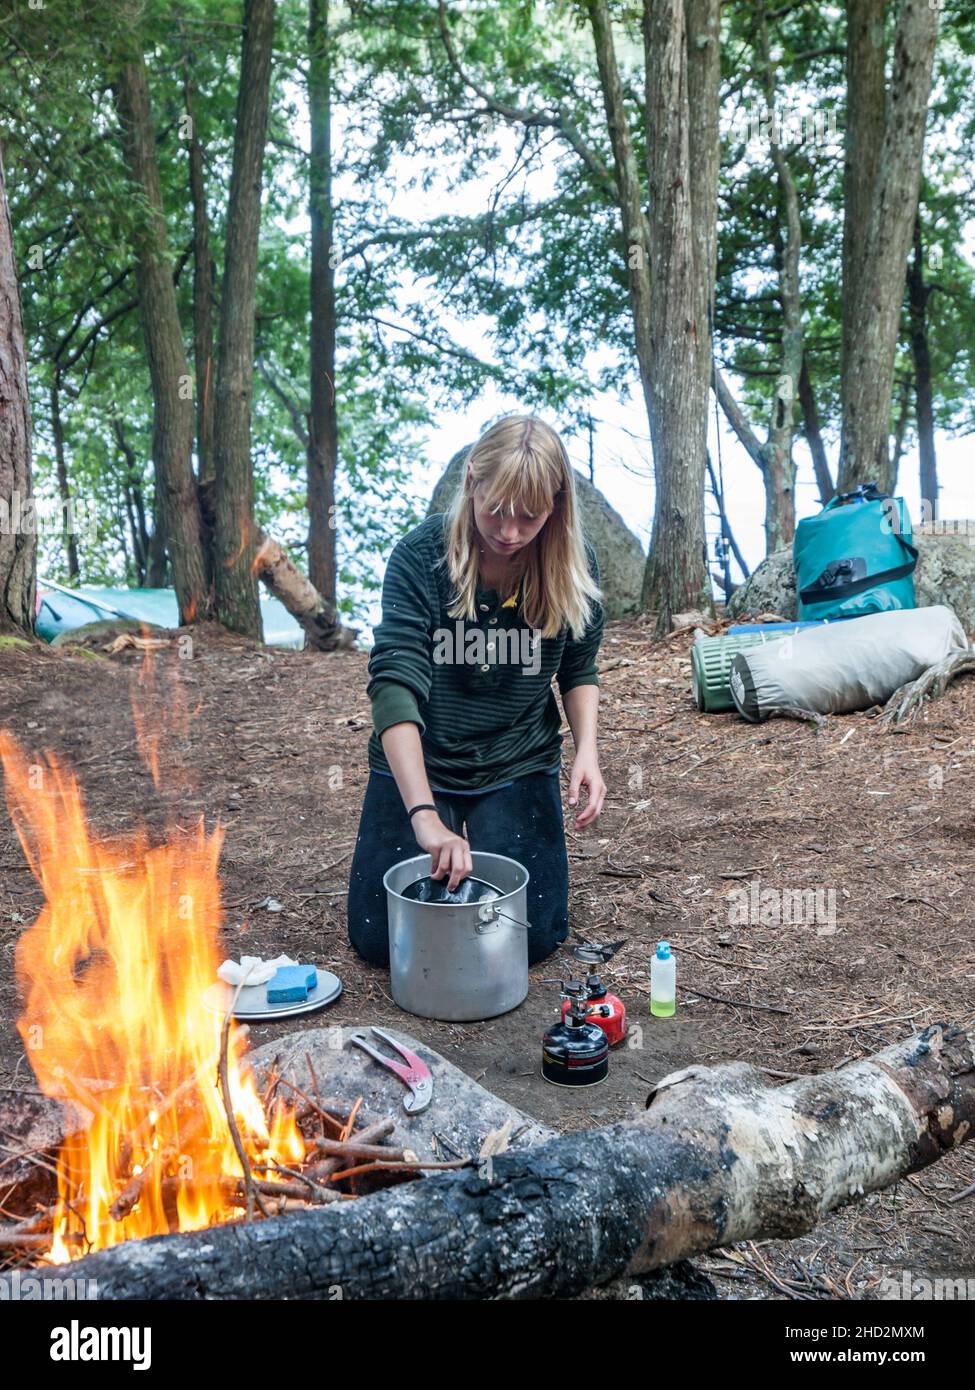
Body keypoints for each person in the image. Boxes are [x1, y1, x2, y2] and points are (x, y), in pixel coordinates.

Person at [346, 414, 606, 968]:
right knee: (376, 938)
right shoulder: (420, 558)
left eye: (530, 518)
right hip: (424, 761)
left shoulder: (574, 566)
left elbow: (579, 668)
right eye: (497, 511)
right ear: (471, 482)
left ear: (556, 508)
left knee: (531, 936)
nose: (510, 533)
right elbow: (395, 687)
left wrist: (587, 751)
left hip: (516, 759)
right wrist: (423, 814)